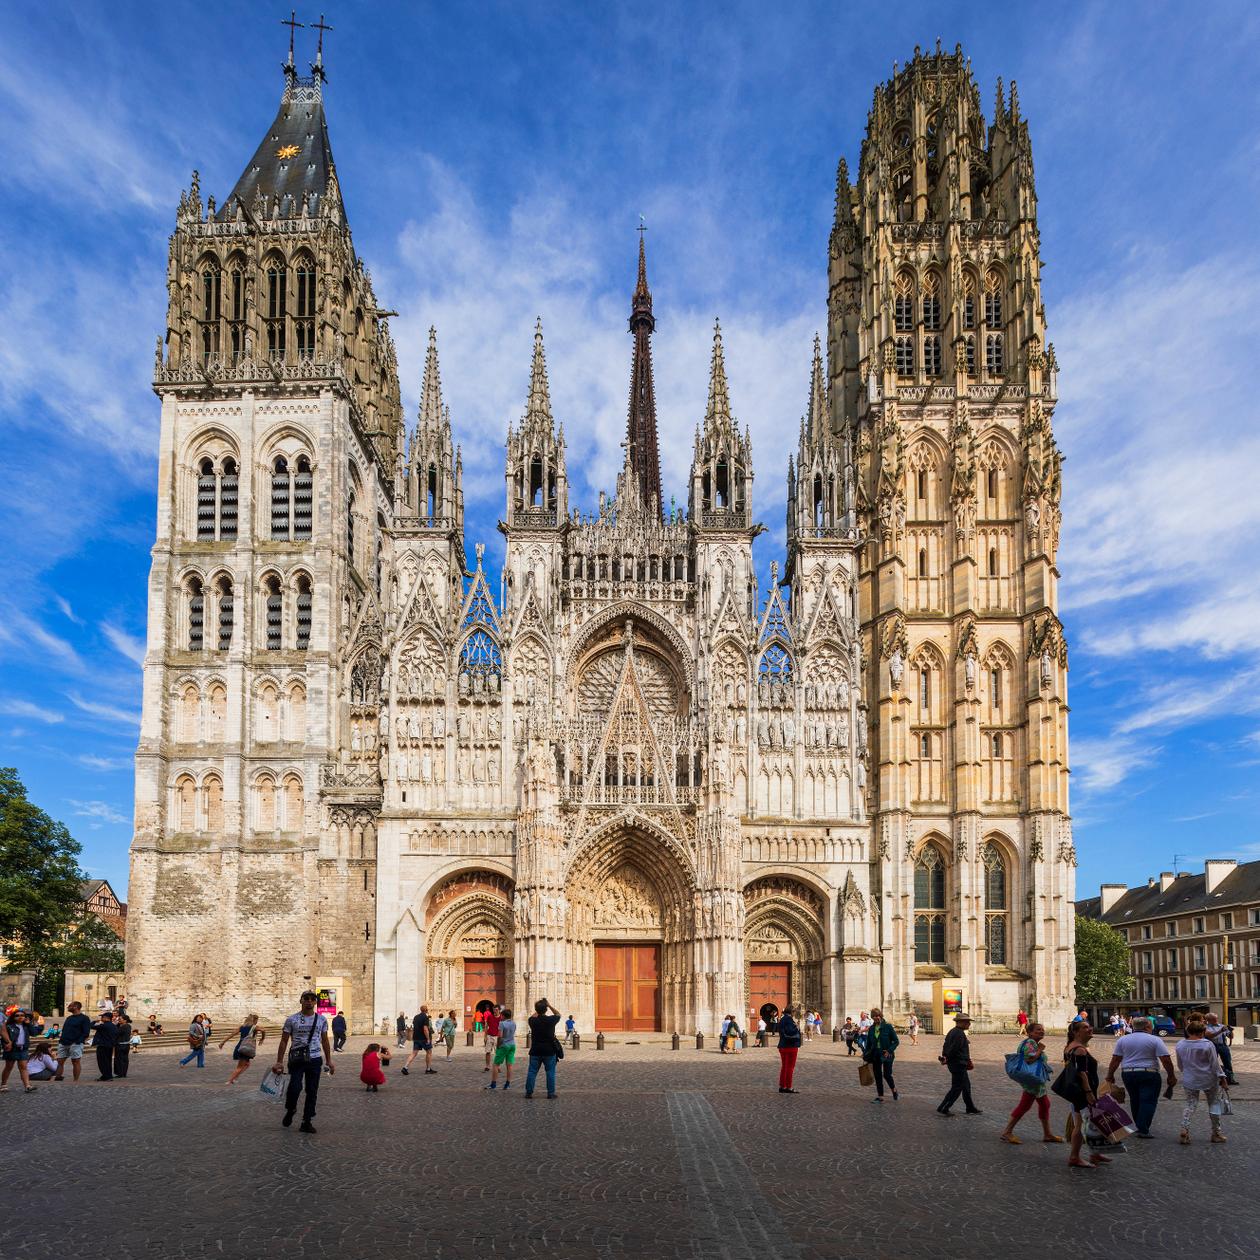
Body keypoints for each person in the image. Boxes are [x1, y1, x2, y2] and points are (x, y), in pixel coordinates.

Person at [272, 990, 333, 1133]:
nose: (309, 1001)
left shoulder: (321, 1020)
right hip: (297, 1059)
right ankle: (291, 1108)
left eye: (312, 999)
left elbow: (325, 1040)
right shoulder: (292, 1020)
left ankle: (307, 1121)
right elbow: (283, 1041)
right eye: (306, 998)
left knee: (312, 1091)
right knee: (294, 1088)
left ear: (315, 1002)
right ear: (301, 1001)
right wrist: (279, 1061)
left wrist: (329, 1061)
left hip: (315, 1059)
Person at [1104, 1016, 1175, 1139]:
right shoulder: (1155, 1040)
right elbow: (1166, 1059)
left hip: (1128, 1073)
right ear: (1147, 1027)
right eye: (1151, 1025)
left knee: (1135, 1099)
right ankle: (1143, 1128)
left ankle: (1139, 1125)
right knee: (1148, 1100)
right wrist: (1171, 1075)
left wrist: (1110, 1075)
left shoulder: (1123, 1040)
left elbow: (1116, 1059)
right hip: (1149, 1073)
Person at [999, 1022, 1062, 1144]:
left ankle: (1047, 1133)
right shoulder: (1030, 1043)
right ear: (1030, 1032)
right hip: (1032, 1080)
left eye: (1042, 1029)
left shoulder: (1031, 1042)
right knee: (1025, 1105)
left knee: (1044, 1104)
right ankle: (1007, 1132)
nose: (1041, 1031)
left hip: (1033, 1079)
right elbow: (1029, 1059)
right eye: (1038, 1030)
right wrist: (1040, 1050)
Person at [1059, 1021, 1109, 1169]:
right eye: (1085, 1028)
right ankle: (1074, 1157)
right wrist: (1088, 1092)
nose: (1090, 1029)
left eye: (1089, 1026)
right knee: (1083, 1125)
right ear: (1076, 1032)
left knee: (1088, 1123)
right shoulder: (1079, 1050)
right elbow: (1082, 1073)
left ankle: (1095, 1153)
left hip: (1078, 1093)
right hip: (1083, 1093)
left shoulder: (1071, 1046)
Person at [1175, 1017, 1227, 1145]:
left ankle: (1184, 1128)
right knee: (1214, 1105)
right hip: (1208, 1079)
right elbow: (1214, 1064)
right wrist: (1223, 1078)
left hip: (1190, 1079)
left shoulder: (1180, 1044)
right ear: (1202, 1032)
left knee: (1190, 1105)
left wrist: (1187, 1072)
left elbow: (1180, 1065)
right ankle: (1216, 1133)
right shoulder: (1207, 1044)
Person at [936, 1012, 981, 1116]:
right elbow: (954, 1049)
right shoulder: (959, 1034)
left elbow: (945, 1046)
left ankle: (970, 1107)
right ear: (961, 1022)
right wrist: (947, 1058)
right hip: (958, 1064)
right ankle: (944, 1107)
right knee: (957, 1087)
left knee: (966, 1086)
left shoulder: (952, 1032)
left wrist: (945, 1057)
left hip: (957, 1063)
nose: (969, 1024)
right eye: (967, 1022)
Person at [525, 998, 562, 1099]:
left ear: (536, 1010)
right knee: (550, 1072)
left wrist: (538, 1009)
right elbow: (558, 1014)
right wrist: (549, 1005)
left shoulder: (532, 1021)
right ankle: (550, 1093)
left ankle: (529, 1092)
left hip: (535, 1051)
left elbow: (532, 1016)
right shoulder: (551, 1020)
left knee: (532, 1072)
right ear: (546, 1010)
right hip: (549, 1051)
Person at [864, 1007, 899, 1102]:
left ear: (881, 1016)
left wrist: (889, 1051)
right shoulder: (871, 1029)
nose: (876, 1018)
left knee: (887, 1075)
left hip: (887, 1055)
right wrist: (865, 1056)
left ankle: (894, 1089)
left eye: (877, 1016)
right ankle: (880, 1096)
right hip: (875, 1055)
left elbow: (896, 1041)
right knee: (877, 1075)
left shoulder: (888, 1027)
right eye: (874, 1016)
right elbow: (868, 1044)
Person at [53, 1001, 91, 1082]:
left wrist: (77, 1042)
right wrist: (61, 1040)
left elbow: (86, 1032)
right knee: (60, 1061)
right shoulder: (69, 1018)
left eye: (70, 1006)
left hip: (75, 1043)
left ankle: (75, 1080)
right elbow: (64, 1030)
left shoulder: (84, 1018)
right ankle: (58, 1078)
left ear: (76, 1007)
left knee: (75, 1061)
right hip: (64, 1042)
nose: (68, 1007)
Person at [222, 1014, 266, 1085]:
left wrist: (223, 1042)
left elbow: (232, 1034)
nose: (257, 1022)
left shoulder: (242, 1027)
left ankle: (235, 1078)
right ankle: (230, 1081)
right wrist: (262, 1038)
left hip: (240, 1046)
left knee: (247, 1064)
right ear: (254, 1020)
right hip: (246, 1048)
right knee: (240, 1067)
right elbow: (263, 1030)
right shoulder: (254, 1027)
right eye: (257, 1020)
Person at [1, 1009, 36, 1093]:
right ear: (13, 1017)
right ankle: (3, 1084)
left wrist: (29, 1024)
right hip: (12, 1049)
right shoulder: (9, 1026)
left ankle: (27, 1086)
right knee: (9, 1067)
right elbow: (3, 1036)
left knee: (23, 1067)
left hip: (23, 1049)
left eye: (22, 1015)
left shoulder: (26, 1026)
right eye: (17, 1015)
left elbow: (34, 1033)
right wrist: (6, 1044)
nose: (20, 1017)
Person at [772, 1004, 803, 1094]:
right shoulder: (789, 1020)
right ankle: (788, 1087)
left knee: (784, 1067)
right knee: (790, 1067)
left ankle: (782, 1086)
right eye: (794, 1012)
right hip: (791, 1046)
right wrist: (797, 1027)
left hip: (783, 1045)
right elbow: (790, 1031)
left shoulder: (782, 1019)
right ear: (792, 1012)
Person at [1203, 1013, 1237, 1086]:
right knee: (1213, 1063)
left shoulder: (1222, 1026)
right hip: (1212, 1046)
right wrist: (1220, 1031)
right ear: (1208, 1020)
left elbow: (1230, 1037)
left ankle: (1230, 1079)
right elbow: (1210, 1036)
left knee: (1227, 1062)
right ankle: (1213, 1079)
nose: (1216, 1020)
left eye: (1216, 1018)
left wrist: (1231, 1031)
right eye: (1213, 1019)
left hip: (1223, 1046)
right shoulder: (1205, 1027)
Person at [402, 1005, 435, 1075]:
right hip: (423, 1038)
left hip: (416, 1037)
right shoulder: (425, 1017)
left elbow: (415, 1026)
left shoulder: (416, 1017)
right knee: (429, 1052)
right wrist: (428, 1038)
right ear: (426, 1010)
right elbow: (425, 1029)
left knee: (414, 1053)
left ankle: (405, 1067)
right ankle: (428, 1069)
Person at [489, 1007, 516, 1090]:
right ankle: (507, 1084)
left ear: (503, 1016)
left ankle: (493, 1084)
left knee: (496, 1065)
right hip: (512, 1045)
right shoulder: (513, 1023)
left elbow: (500, 1036)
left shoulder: (502, 1023)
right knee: (509, 1065)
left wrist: (498, 1046)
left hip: (504, 1045)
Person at [90, 1010, 119, 1081]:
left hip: (103, 1046)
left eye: (102, 1017)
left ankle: (106, 1076)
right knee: (108, 1061)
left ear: (106, 1018)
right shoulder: (113, 1026)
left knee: (102, 1062)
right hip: (109, 1046)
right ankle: (107, 1075)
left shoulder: (104, 1025)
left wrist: (94, 1021)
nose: (101, 1018)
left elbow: (90, 1026)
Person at [113, 1010, 133, 1079]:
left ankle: (120, 1073)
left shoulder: (123, 1027)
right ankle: (123, 1073)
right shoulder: (128, 1026)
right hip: (126, 1045)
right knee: (125, 1059)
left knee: (119, 1059)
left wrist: (116, 1024)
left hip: (121, 1045)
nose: (119, 1020)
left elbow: (116, 1033)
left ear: (125, 1020)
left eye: (120, 1019)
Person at [483, 1004, 502, 1072]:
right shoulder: (490, 1017)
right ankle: (487, 1066)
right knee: (488, 1051)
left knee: (498, 1052)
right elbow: (486, 1026)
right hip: (490, 1036)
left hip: (498, 1036)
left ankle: (498, 1066)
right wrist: (485, 1036)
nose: (495, 1011)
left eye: (496, 1010)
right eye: (494, 1010)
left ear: (499, 1010)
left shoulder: (502, 1018)